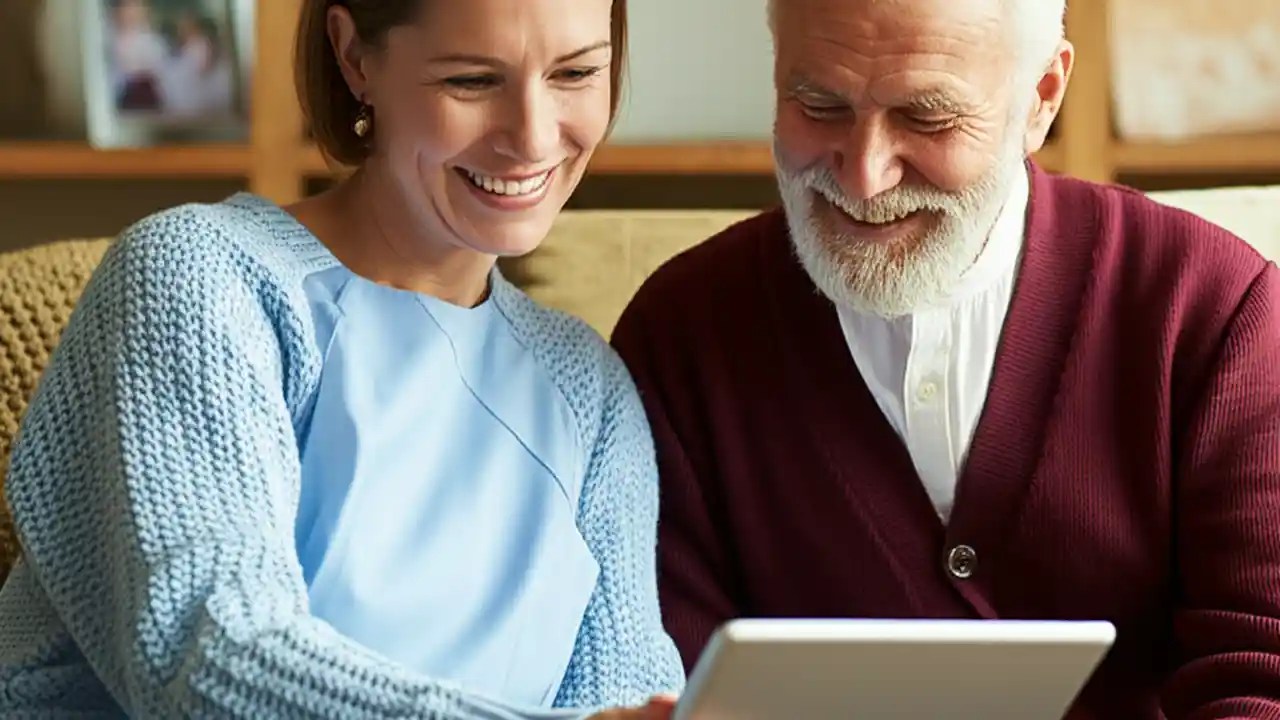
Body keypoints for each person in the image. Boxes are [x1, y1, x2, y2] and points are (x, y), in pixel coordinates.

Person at [0, 0, 684, 717]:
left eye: (575, 72)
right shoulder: (200, 278)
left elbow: (629, 694)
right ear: (355, 56)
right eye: (473, 81)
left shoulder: (591, 392)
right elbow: (209, 661)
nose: (534, 137)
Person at [610, 0, 1280, 717]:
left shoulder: (1213, 312)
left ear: (1042, 98)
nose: (865, 175)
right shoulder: (677, 339)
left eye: (926, 118)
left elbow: (1261, 676)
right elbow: (670, 678)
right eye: (818, 105)